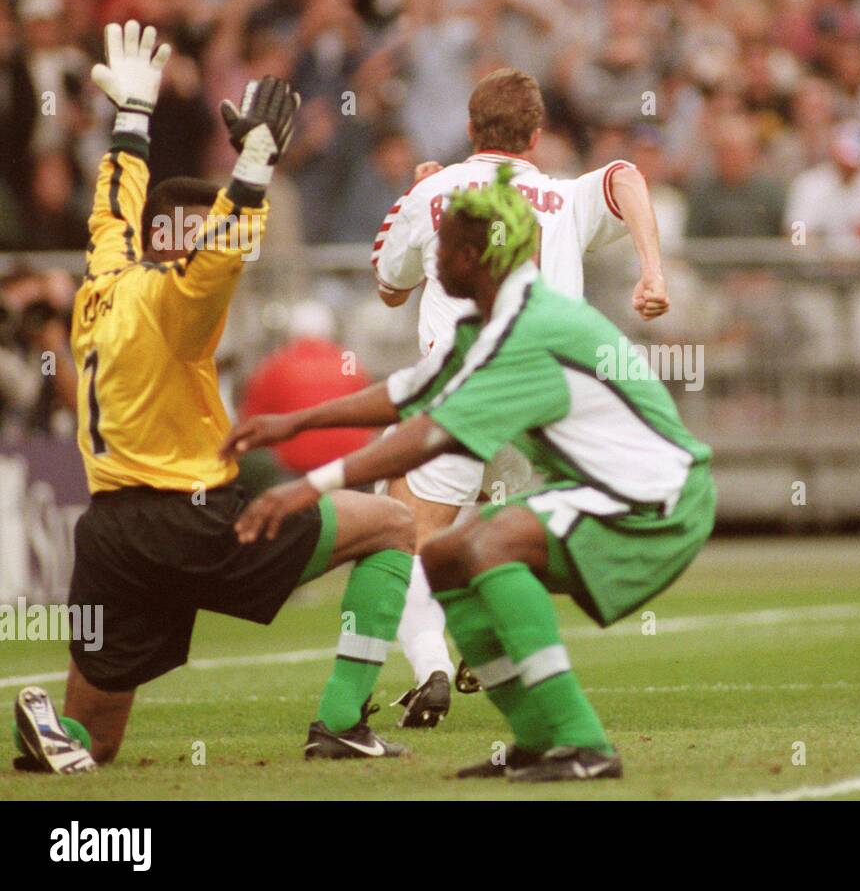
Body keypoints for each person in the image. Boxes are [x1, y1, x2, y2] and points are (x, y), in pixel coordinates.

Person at [13, 21, 416, 775]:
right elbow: (222, 259)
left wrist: (132, 116)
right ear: (172, 235)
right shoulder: (174, 300)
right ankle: (340, 721)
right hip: (185, 518)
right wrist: (256, 161)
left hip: (110, 535)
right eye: (195, 227)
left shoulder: (100, 281)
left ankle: (49, 726)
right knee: (393, 522)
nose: (209, 237)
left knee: (93, 743)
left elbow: (112, 204)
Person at [225, 164, 716, 782]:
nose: (435, 259)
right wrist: (291, 424)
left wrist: (309, 484)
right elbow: (407, 390)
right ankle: (538, 740)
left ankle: (584, 744)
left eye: (445, 247)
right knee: (449, 554)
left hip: (656, 497)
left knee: (491, 544)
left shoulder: (522, 331)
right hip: (606, 490)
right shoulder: (491, 324)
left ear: (471, 259)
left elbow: (429, 432)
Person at [369, 67, 670, 729]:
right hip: (544, 398)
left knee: (402, 537)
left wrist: (417, 195)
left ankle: (433, 671)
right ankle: (498, 636)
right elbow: (625, 175)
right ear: (537, 137)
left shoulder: (434, 191)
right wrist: (651, 270)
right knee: (519, 533)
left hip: (459, 390)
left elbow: (388, 287)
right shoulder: (561, 198)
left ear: (471, 130)